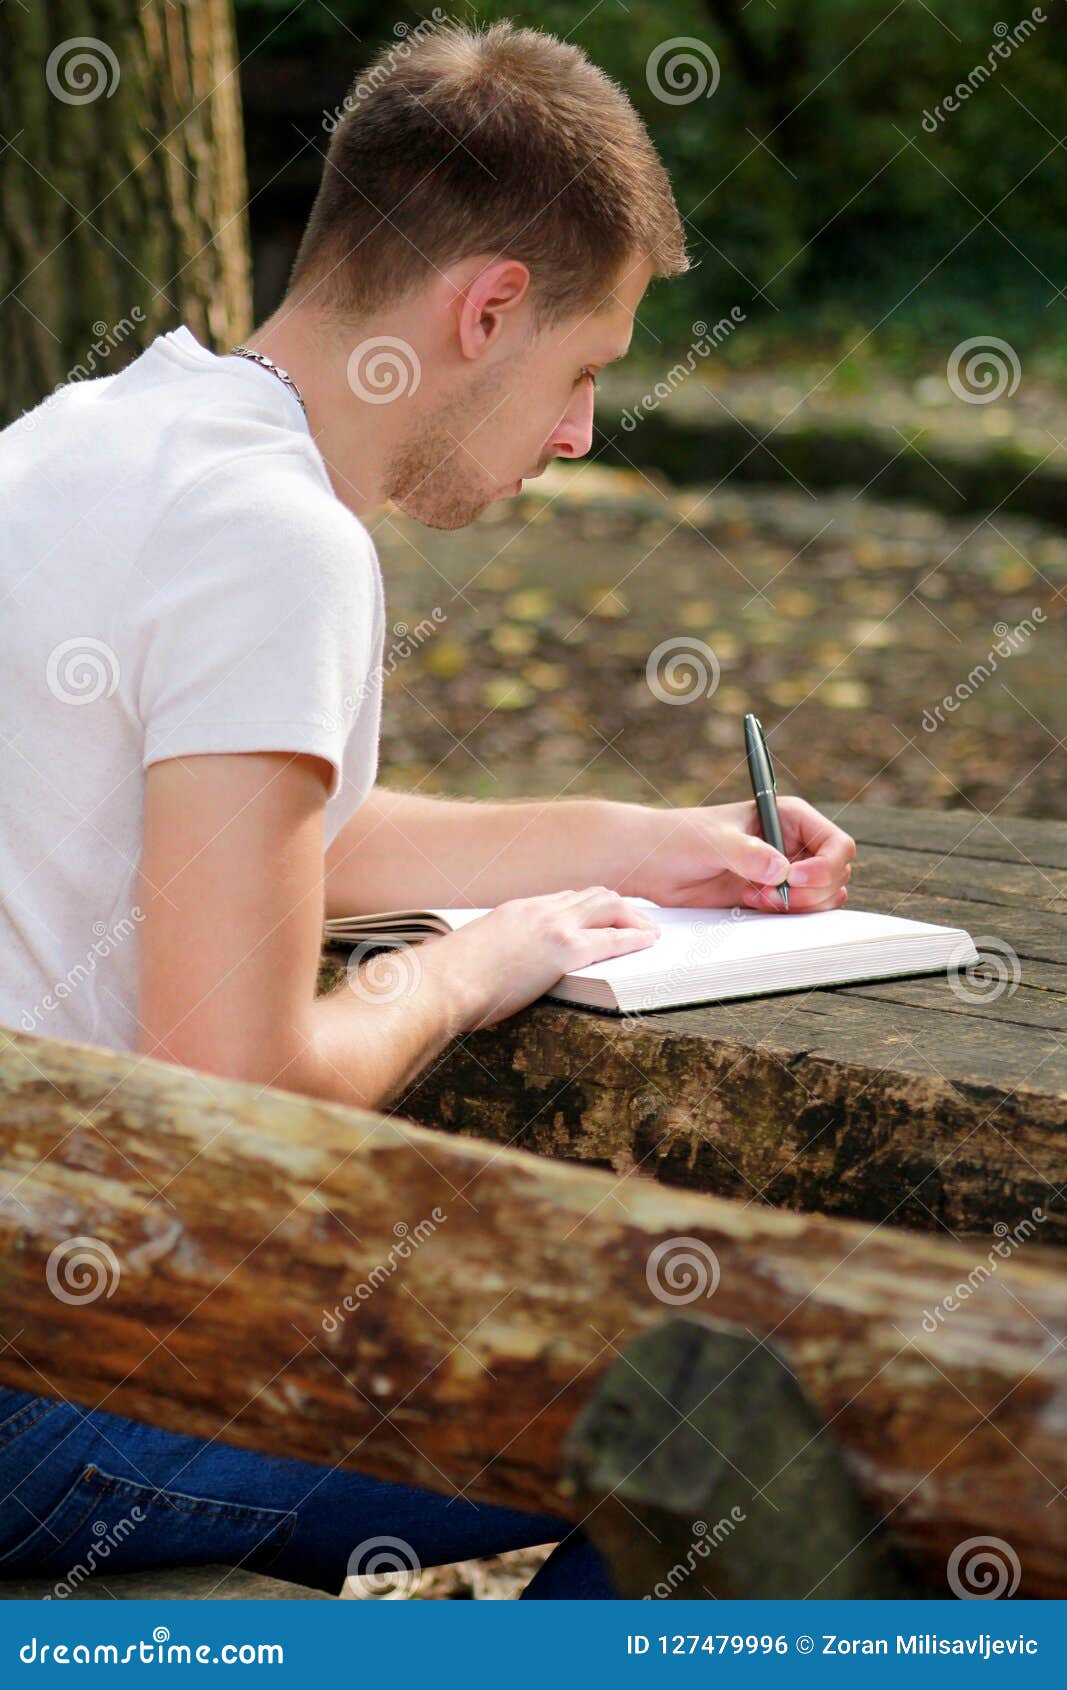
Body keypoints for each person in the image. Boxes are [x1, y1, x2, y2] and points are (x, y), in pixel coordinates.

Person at [0, 21, 854, 1598]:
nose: (581, 431)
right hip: (46, 1377)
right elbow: (239, 1082)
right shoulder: (280, 543)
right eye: (584, 369)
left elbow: (246, 854)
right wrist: (461, 969)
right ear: (488, 309)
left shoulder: (90, 438)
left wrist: (635, 837)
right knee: (734, 1404)